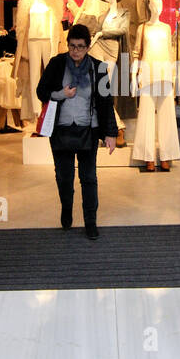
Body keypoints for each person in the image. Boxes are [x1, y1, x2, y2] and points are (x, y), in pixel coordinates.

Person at [35, 24, 118, 240]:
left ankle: (91, 222)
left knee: (88, 178)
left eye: (80, 47)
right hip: (61, 130)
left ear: (88, 47)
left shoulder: (98, 68)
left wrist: (110, 134)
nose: (75, 51)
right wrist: (61, 94)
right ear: (68, 45)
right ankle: (66, 209)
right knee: (64, 177)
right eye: (72, 46)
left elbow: (106, 102)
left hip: (88, 131)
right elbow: (41, 91)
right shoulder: (57, 64)